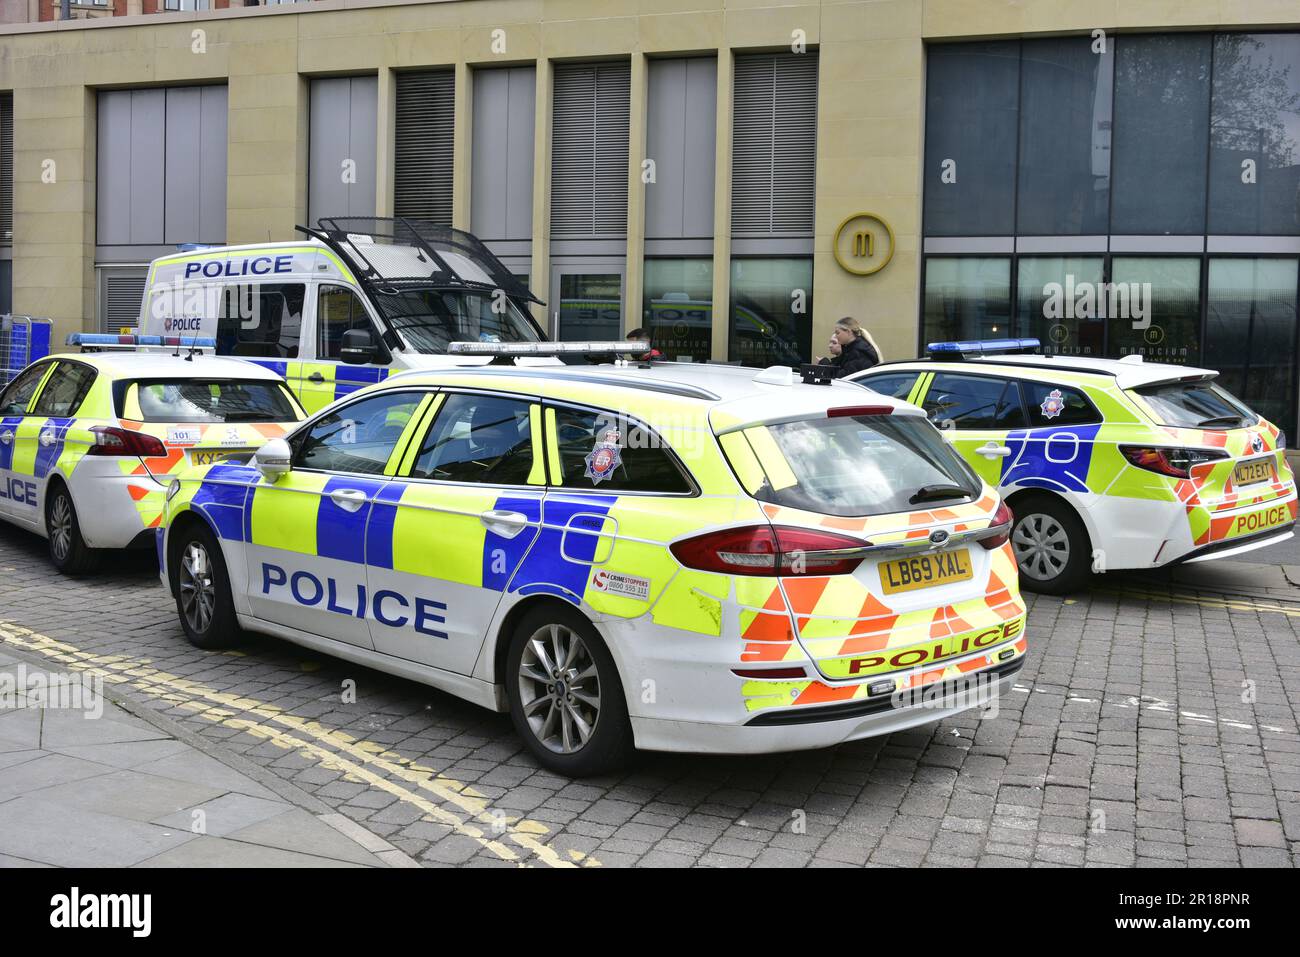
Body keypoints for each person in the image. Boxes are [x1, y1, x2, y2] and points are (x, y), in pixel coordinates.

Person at [816, 316, 880, 375]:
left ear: (849, 332)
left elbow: (842, 377)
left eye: (838, 333)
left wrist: (824, 364)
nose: (836, 336)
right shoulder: (850, 348)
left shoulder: (858, 352)